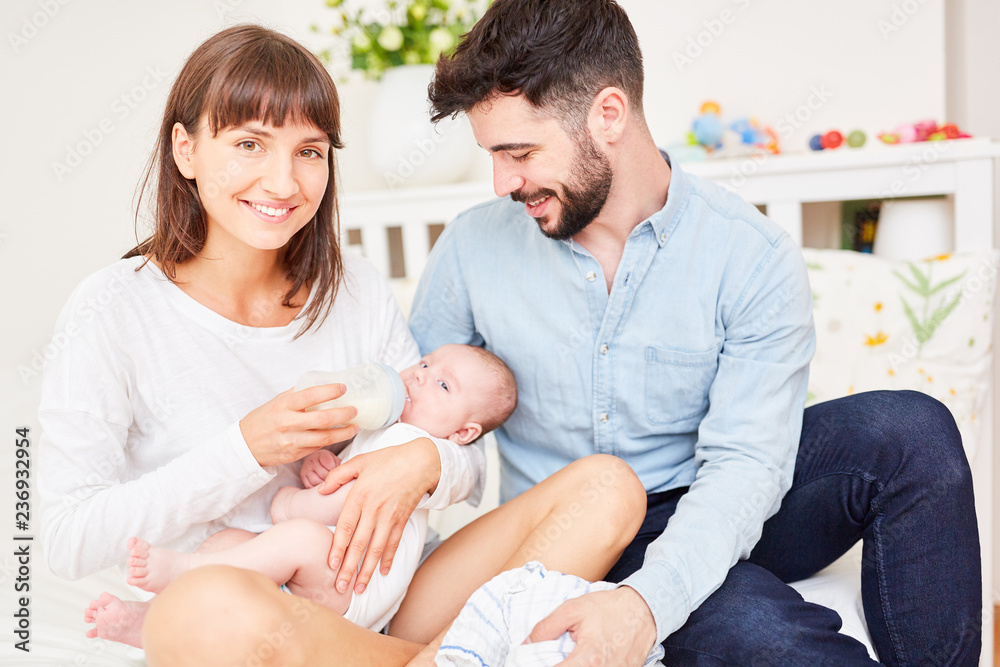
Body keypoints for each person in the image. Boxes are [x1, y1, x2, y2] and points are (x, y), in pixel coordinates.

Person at [40, 23, 646, 666]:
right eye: (249, 144)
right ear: (185, 151)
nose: (283, 183)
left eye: (309, 151)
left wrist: (425, 463)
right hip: (264, 617)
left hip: (391, 596)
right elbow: (66, 540)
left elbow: (459, 455)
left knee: (608, 488)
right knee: (209, 609)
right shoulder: (113, 309)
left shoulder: (351, 287)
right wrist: (245, 450)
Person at [405, 0, 982, 665]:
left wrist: (648, 603)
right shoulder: (472, 248)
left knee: (912, 431)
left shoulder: (751, 254)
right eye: (494, 156)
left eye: (521, 153)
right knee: (759, 632)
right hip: (580, 532)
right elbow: (418, 410)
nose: (503, 182)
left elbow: (746, 466)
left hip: (715, 492)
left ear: (609, 114)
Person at [84, 343, 518, 647]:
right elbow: (342, 481)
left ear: (464, 433)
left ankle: (184, 571)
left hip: (354, 589)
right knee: (228, 543)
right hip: (321, 574)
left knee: (299, 537)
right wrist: (319, 467)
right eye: (425, 363)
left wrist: (289, 503)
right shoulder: (386, 427)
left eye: (443, 386)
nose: (420, 375)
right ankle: (160, 622)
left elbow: (345, 500)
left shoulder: (416, 448)